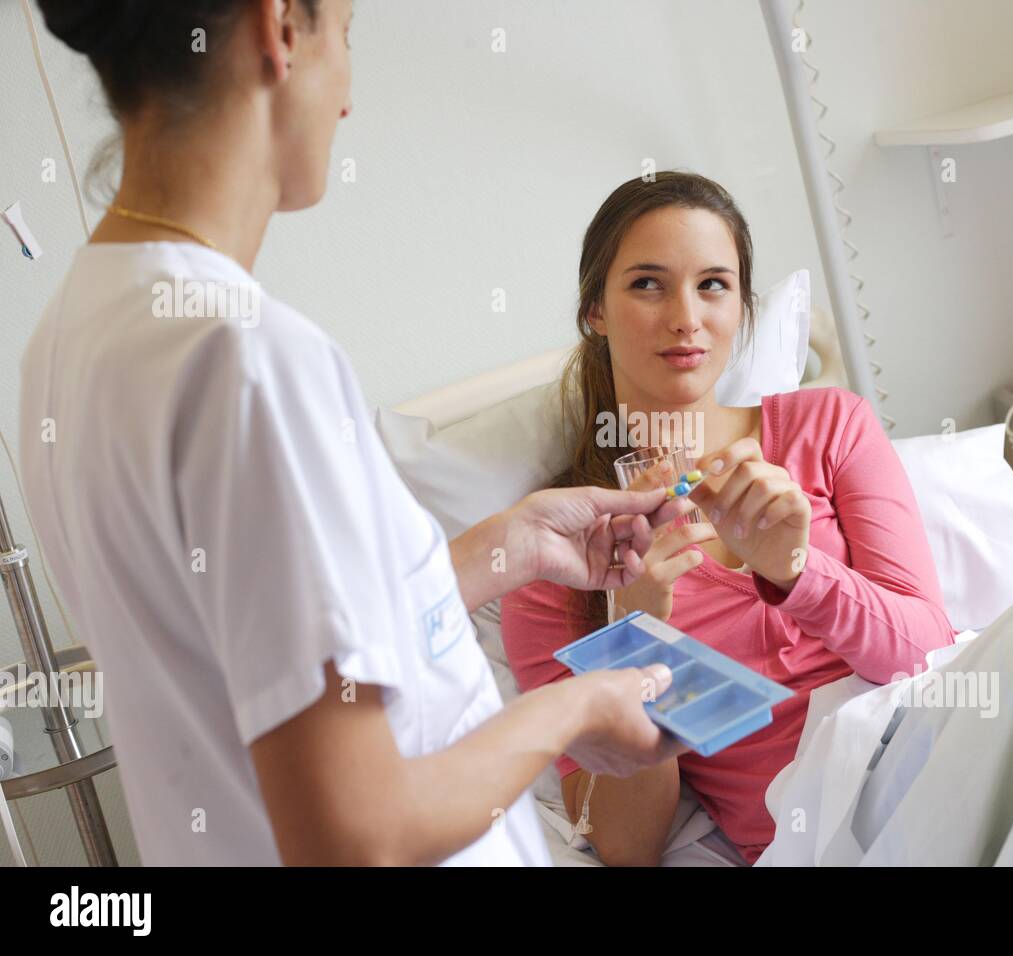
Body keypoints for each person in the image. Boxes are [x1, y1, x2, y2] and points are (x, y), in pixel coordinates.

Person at [19, 0, 693, 866]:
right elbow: (356, 833)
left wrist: (504, 547)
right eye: (346, 31)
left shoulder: (74, 329)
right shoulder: (249, 362)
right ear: (279, 28)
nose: (347, 95)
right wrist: (578, 709)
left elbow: (260, 651)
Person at [501, 172, 958, 865]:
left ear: (742, 305)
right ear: (594, 308)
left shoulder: (829, 427)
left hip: (941, 742)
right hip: (825, 831)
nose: (686, 316)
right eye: (648, 284)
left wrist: (798, 572)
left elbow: (929, 650)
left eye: (713, 284)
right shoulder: (558, 555)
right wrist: (639, 642)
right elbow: (626, 845)